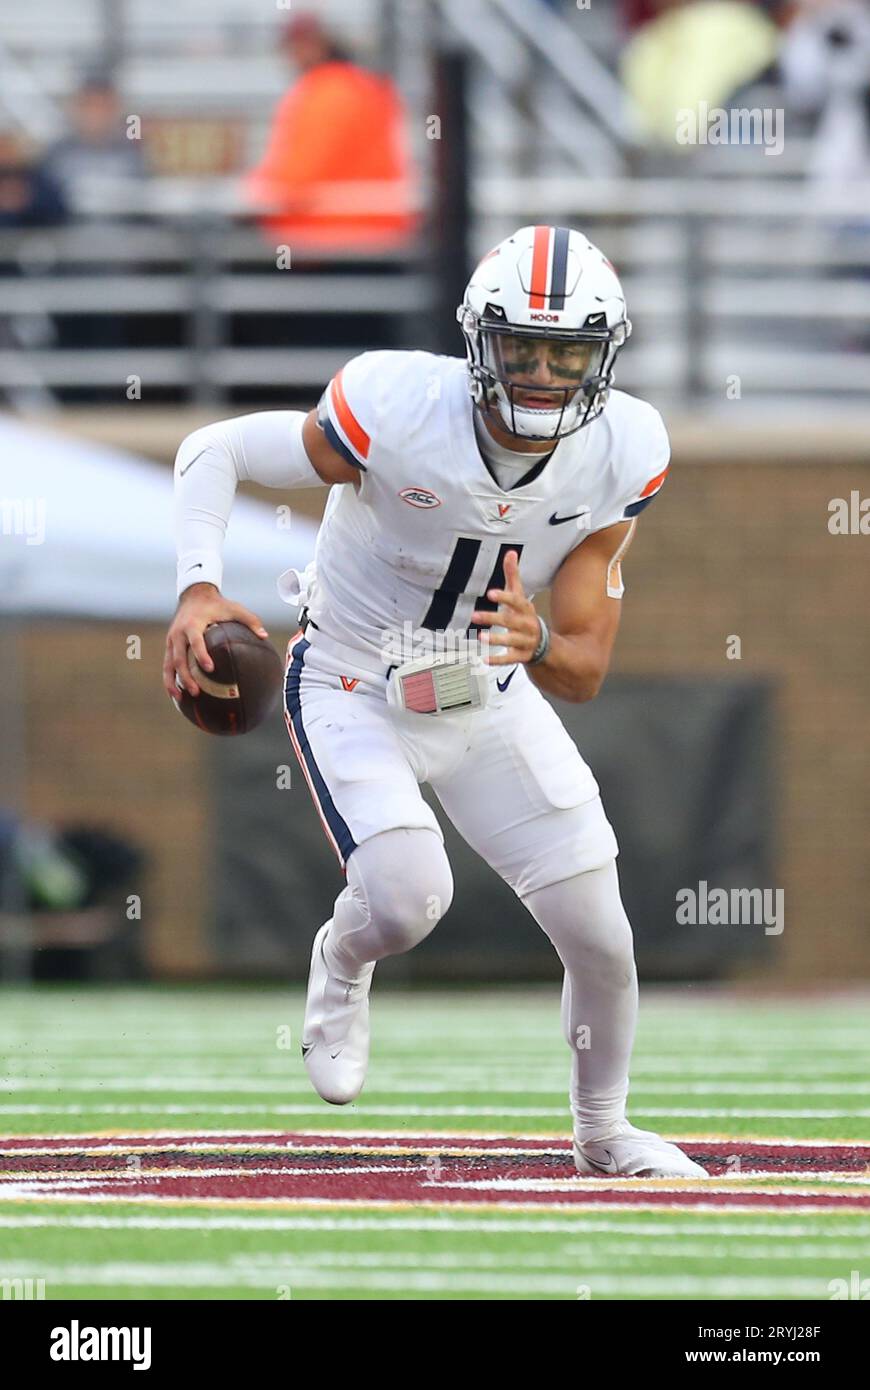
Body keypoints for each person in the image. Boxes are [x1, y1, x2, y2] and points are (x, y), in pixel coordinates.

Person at [164, 225, 707, 1180]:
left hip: (481, 690)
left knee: (603, 938)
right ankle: (343, 954)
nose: (541, 373)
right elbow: (214, 450)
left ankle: (605, 1131)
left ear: (603, 358)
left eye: (567, 352)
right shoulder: (398, 407)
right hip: (352, 677)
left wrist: (537, 641)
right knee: (411, 899)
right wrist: (199, 587)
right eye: (522, 348)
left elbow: (581, 673)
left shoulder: (625, 450)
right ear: (477, 343)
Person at [244, 12, 417, 252]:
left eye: (295, 47)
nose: (290, 57)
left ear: (315, 46)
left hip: (333, 234)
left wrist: (254, 192)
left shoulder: (327, 92)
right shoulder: (363, 85)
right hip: (373, 230)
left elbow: (300, 176)